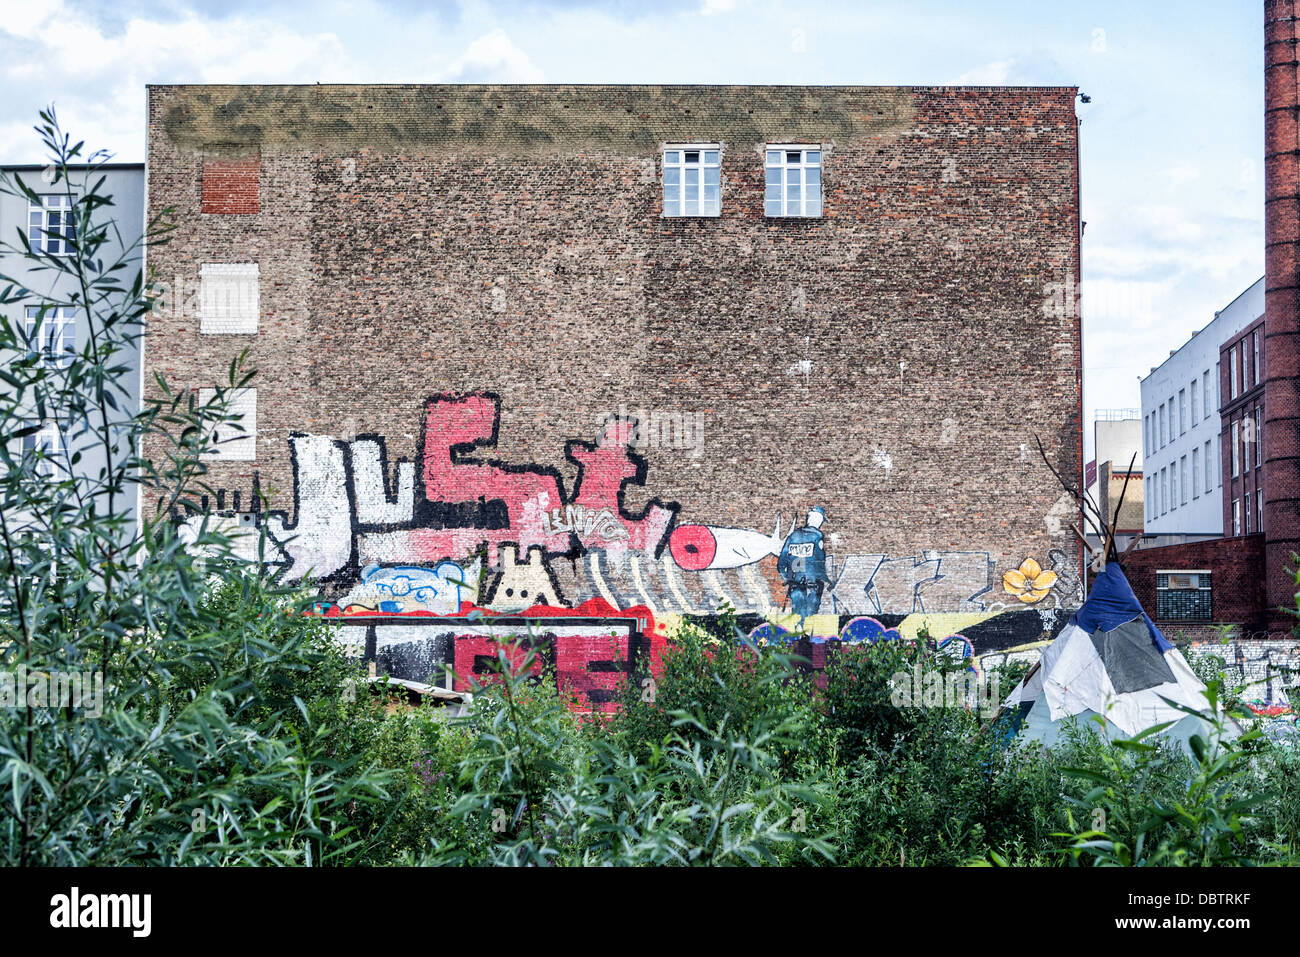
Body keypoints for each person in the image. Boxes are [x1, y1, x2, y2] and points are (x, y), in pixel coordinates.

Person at [777, 506, 830, 618]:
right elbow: (819, 561)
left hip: (795, 583)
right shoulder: (817, 536)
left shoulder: (793, 536)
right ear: (819, 520)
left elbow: (781, 563)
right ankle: (807, 635)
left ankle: (798, 634)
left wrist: (787, 577)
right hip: (812, 584)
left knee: (798, 615)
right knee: (810, 617)